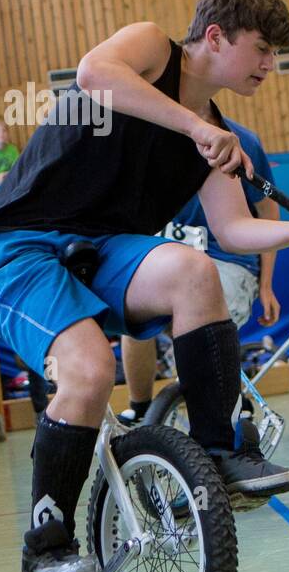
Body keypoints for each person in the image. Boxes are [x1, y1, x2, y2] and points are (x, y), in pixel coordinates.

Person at [0, 0, 289, 572]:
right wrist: (195, 128)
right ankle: (47, 548)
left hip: (102, 249)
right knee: (91, 372)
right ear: (214, 36)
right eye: (261, 48)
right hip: (22, 245)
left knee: (194, 269)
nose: (269, 65)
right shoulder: (153, 48)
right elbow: (95, 73)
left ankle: (219, 451)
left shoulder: (214, 133)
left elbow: (232, 228)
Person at [117, 117, 280, 425]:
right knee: (131, 312)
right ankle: (140, 408)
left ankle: (225, 402)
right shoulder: (144, 135)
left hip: (229, 262)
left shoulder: (243, 140)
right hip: (171, 259)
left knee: (197, 316)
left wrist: (267, 285)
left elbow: (268, 211)